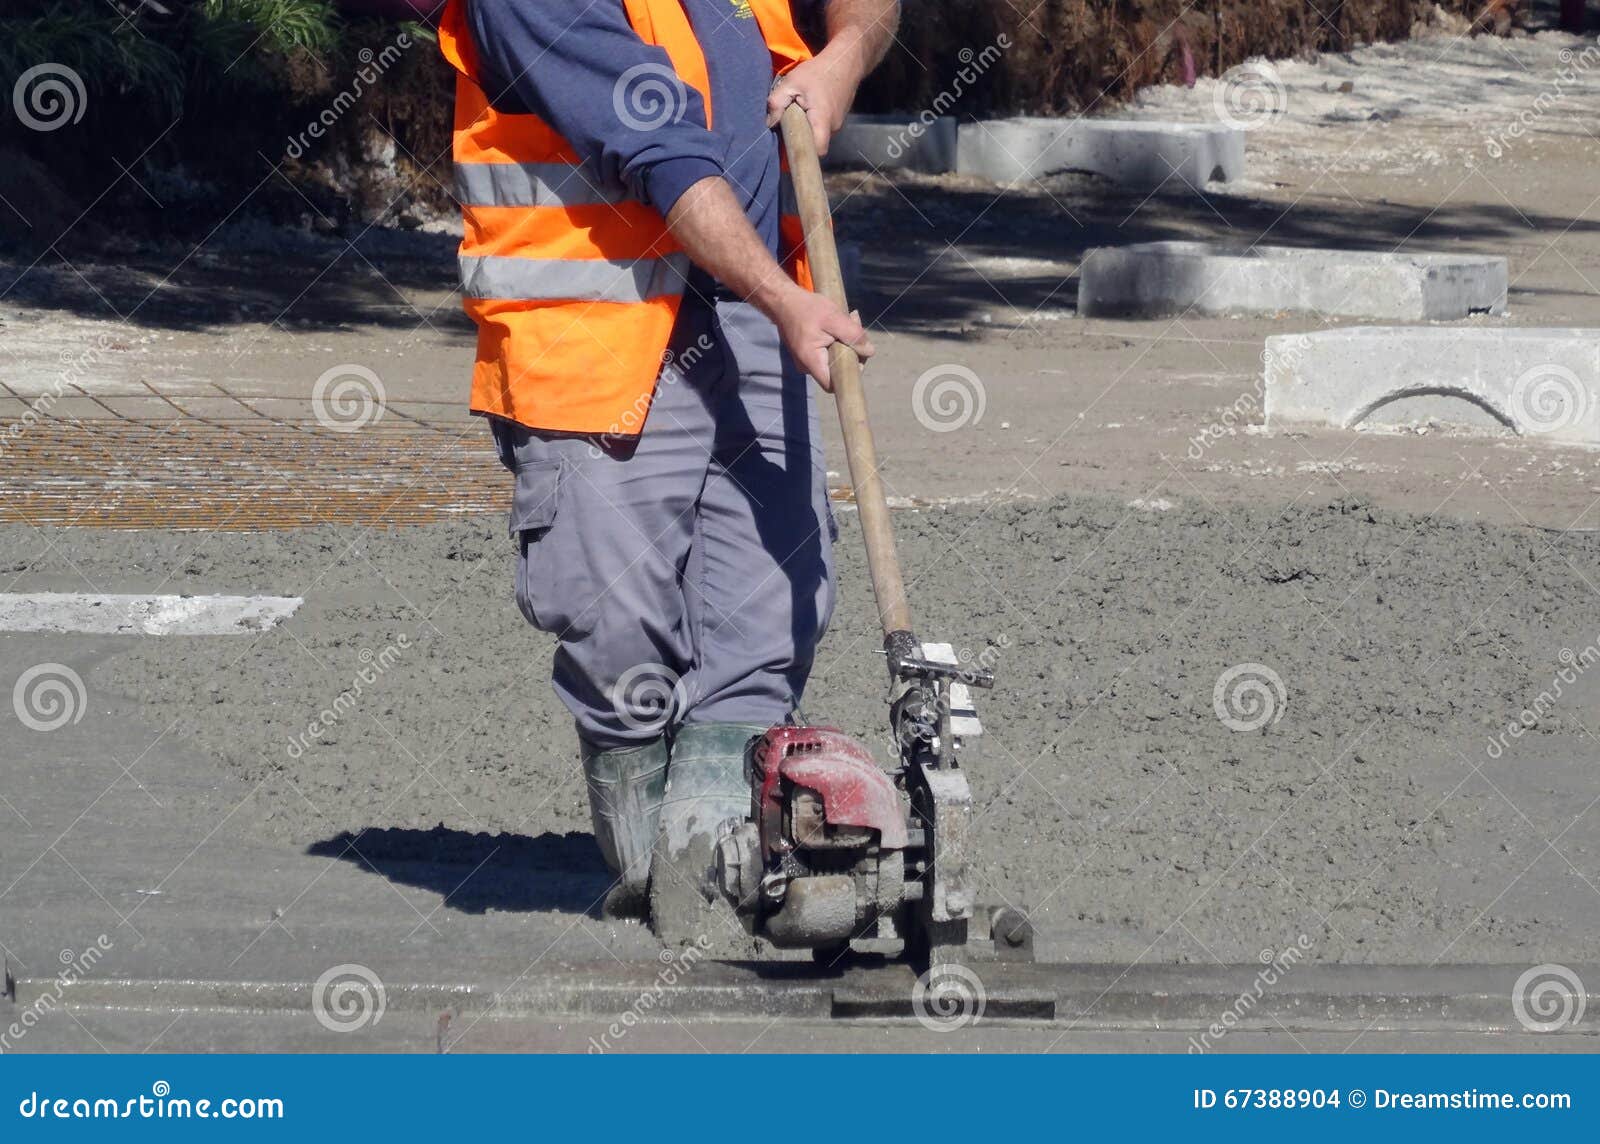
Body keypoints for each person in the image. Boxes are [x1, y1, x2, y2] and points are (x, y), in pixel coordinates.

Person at [437, 0, 899, 916]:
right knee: (618, 634)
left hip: (751, 321)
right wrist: (782, 298)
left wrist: (844, 56)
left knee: (768, 616)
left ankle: (714, 883)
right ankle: (655, 873)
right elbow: (659, 150)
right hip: (597, 334)